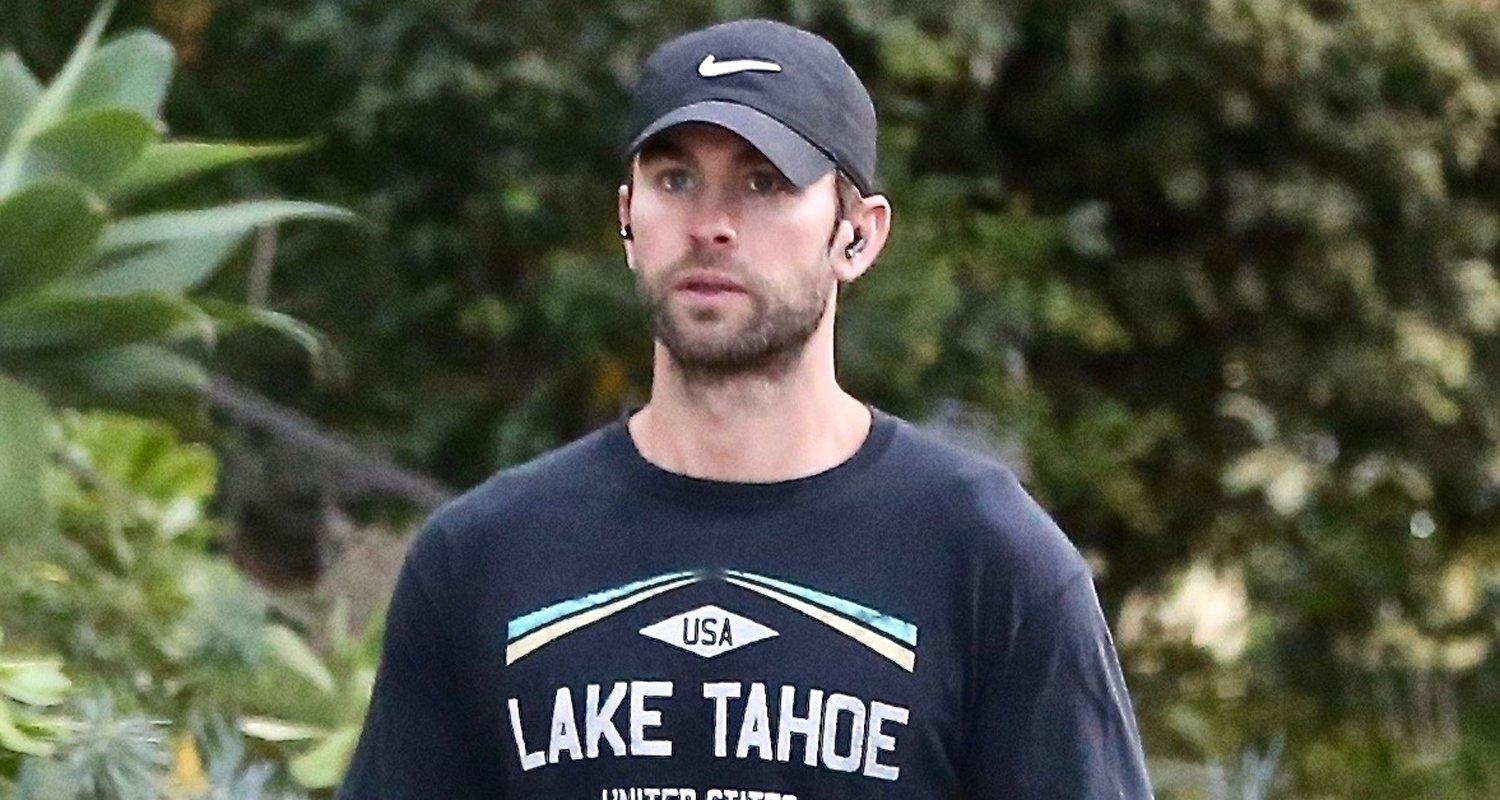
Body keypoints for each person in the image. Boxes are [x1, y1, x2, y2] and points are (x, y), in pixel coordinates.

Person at [339, 18, 1153, 800]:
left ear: (858, 236)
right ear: (627, 218)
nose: (711, 225)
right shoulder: (484, 559)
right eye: (674, 179)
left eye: (764, 183)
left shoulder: (988, 563)